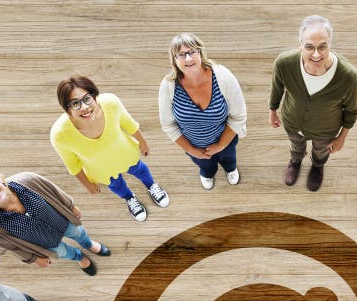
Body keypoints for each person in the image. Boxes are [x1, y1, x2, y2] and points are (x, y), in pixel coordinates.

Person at [50, 74, 169, 222]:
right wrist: (88, 185)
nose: (85, 107)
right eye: (75, 103)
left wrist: (143, 143)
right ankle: (129, 198)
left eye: (87, 98)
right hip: (101, 169)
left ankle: (152, 186)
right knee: (116, 184)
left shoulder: (111, 103)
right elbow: (73, 165)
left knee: (139, 169)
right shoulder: (60, 135)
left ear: (94, 97)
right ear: (67, 110)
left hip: (125, 153)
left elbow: (128, 123)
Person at [268, 15, 357, 191]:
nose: (316, 54)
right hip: (293, 122)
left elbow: (352, 109)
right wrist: (272, 110)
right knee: (296, 145)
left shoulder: (348, 76)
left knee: (321, 150)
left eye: (322, 47)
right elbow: (277, 87)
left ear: (330, 44)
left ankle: (318, 166)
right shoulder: (284, 63)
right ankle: (295, 162)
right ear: (300, 44)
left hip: (326, 129)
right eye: (309, 47)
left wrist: (342, 137)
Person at [0, 165, 110, 276]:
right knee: (64, 252)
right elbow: (13, 247)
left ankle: (89, 244)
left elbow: (53, 190)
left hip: (61, 221)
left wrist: (71, 206)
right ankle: (80, 257)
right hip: (45, 242)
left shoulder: (26, 180)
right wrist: (33, 258)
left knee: (78, 233)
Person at [159, 33, 246, 190]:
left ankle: (230, 169)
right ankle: (208, 172)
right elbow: (168, 125)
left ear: (200, 52)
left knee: (229, 158)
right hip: (194, 145)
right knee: (205, 165)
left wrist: (220, 145)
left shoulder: (223, 76)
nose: (188, 59)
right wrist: (192, 150)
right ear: (174, 59)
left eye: (192, 52)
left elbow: (238, 117)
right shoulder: (168, 85)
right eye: (181, 54)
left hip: (225, 139)